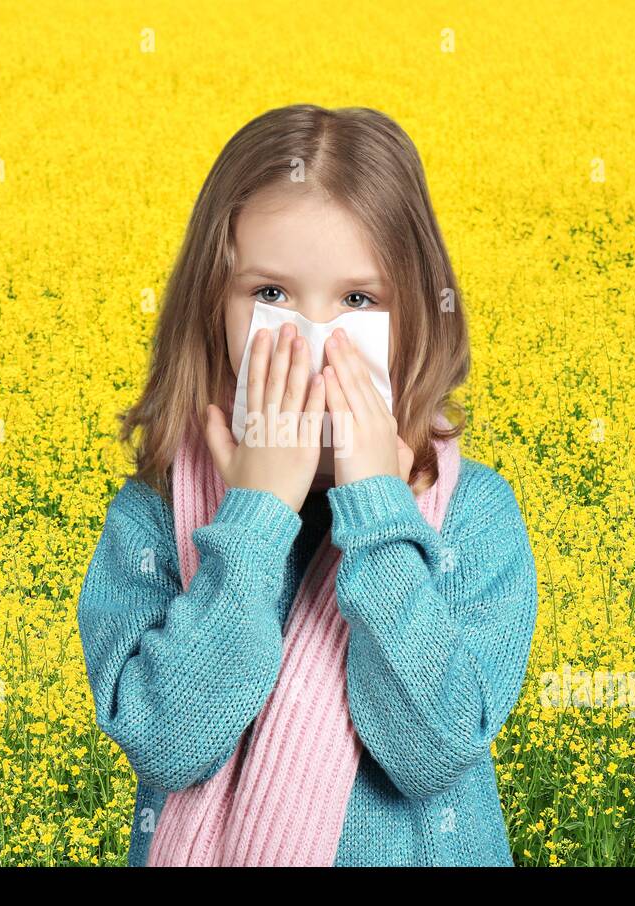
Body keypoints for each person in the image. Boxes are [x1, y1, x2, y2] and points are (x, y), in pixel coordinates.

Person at [76, 103, 538, 866]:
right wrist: (254, 520)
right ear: (211, 306)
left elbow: (431, 751)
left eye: (359, 301)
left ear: (416, 313)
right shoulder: (156, 516)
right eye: (270, 294)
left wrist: (379, 508)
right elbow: (168, 743)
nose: (313, 338)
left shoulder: (473, 517)